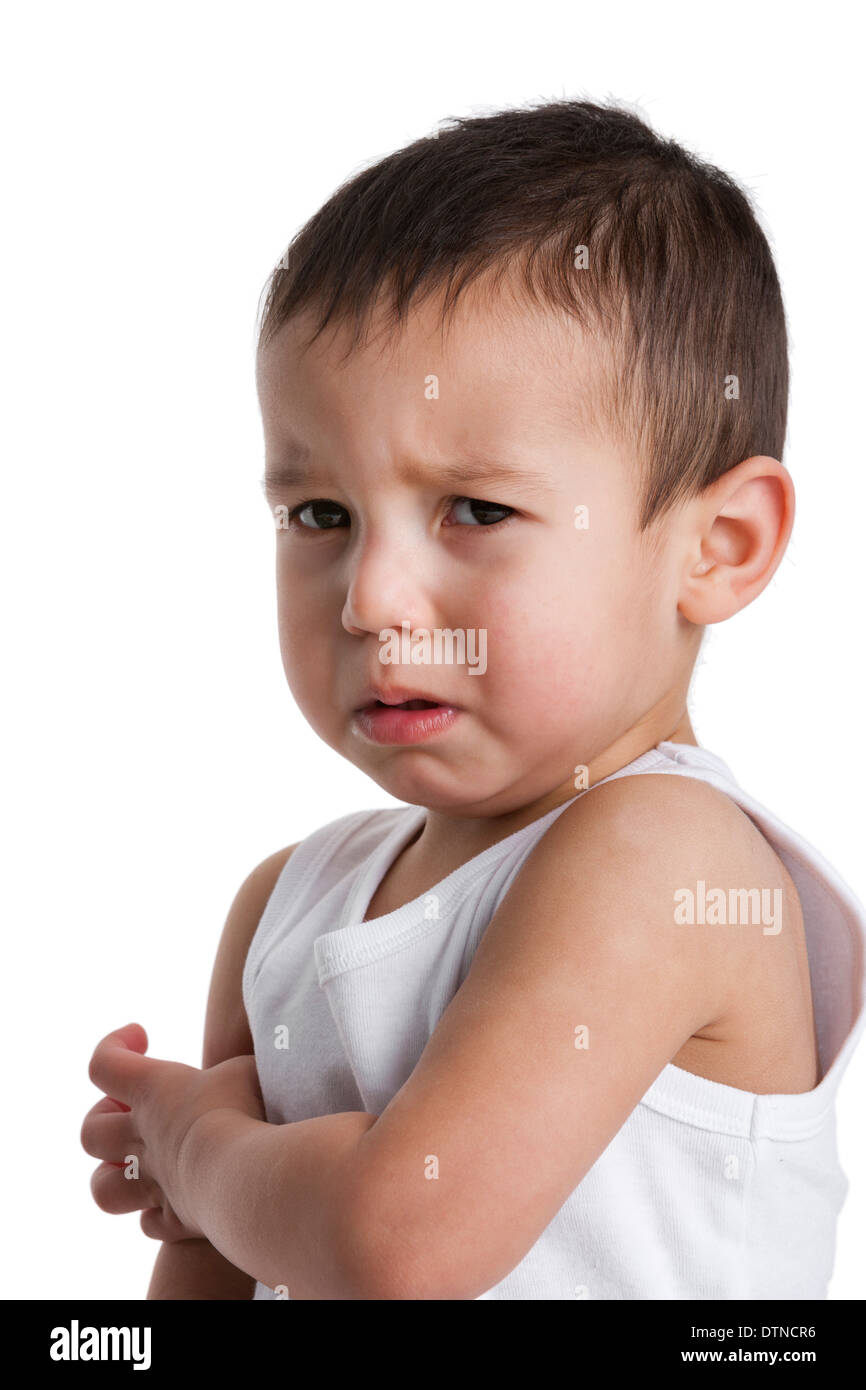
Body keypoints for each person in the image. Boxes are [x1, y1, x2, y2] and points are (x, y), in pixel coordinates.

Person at [85, 98, 866, 1300]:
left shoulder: (663, 855)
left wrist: (195, 1147)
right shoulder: (283, 904)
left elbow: (396, 1245)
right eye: (319, 516)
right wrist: (209, 1191)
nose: (371, 599)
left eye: (477, 510)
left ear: (715, 545)